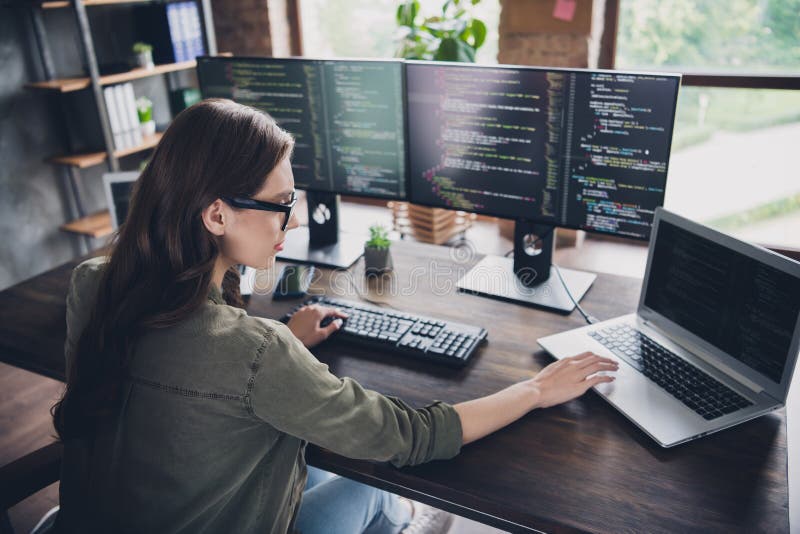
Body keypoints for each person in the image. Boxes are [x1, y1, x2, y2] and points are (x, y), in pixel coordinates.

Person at [51, 99, 618, 534]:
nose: (292, 223)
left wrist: (278, 336)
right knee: (375, 486)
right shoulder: (254, 354)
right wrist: (536, 390)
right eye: (281, 205)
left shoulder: (95, 285)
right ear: (217, 215)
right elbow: (410, 436)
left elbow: (193, 362)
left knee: (313, 457)